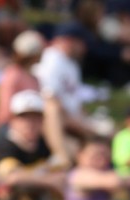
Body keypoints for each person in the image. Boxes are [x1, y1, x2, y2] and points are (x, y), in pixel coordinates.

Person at [34, 22, 92, 167]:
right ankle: (61, 157)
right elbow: (50, 97)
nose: (84, 48)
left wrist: (85, 121)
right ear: (69, 41)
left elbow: (75, 100)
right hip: (52, 119)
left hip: (71, 120)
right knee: (53, 109)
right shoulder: (52, 58)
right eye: (81, 43)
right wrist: (76, 122)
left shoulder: (71, 63)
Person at [0, 29, 43, 129]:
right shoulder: (13, 75)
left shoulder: (34, 78)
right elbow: (6, 109)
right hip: (10, 125)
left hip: (31, 126)